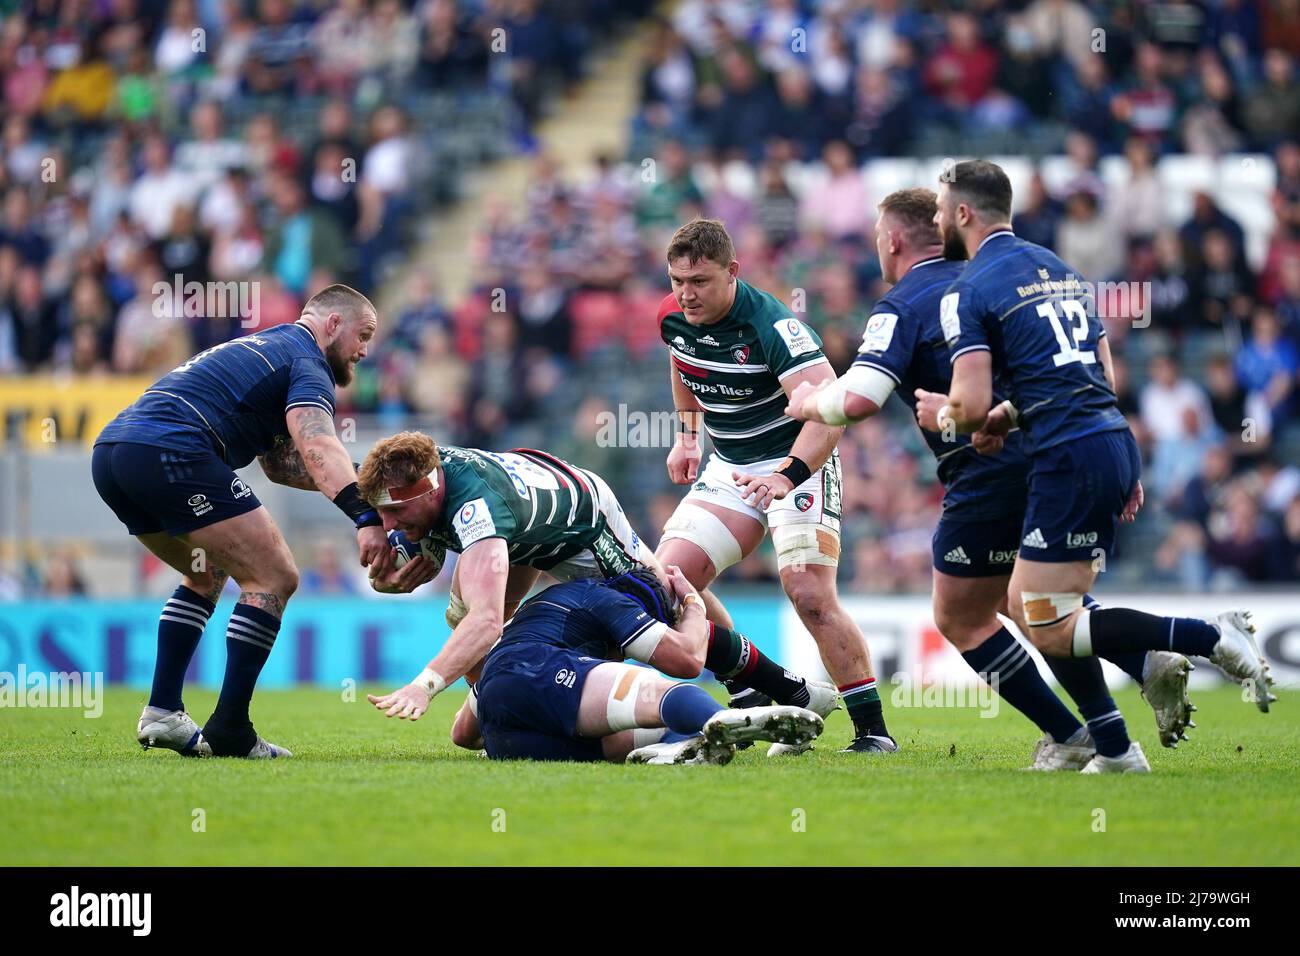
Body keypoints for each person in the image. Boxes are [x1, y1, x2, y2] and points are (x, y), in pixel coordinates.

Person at [786, 187, 1195, 765]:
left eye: (880, 237)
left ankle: (1081, 731)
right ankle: (1140, 669)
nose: (878, 247)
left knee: (961, 613)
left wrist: (808, 402)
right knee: (1025, 598)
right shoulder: (1000, 276)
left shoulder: (903, 303)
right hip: (1060, 451)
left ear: (895, 240)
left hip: (985, 465)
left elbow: (862, 396)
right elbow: (1093, 356)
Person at [932, 161, 1275, 771]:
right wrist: (1014, 422)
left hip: (1069, 452)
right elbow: (1103, 376)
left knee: (1049, 622)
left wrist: (946, 415)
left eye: (941, 209)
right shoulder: (1059, 268)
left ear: (963, 213)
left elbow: (970, 403)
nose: (936, 220)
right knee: (1030, 604)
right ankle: (1117, 752)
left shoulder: (969, 288)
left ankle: (1207, 637)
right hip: (1107, 439)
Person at [92, 284, 392, 758]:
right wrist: (366, 515)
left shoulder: (267, 348)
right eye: (364, 334)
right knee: (274, 575)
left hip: (114, 454)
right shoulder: (307, 362)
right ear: (333, 324)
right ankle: (231, 728)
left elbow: (281, 464)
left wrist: (371, 486)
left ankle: (163, 712)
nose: (364, 350)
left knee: (204, 572)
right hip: (173, 451)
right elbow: (318, 448)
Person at [356, 433, 836, 730]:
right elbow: (423, 543)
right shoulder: (419, 472)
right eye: (382, 512)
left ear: (431, 490)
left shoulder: (475, 509)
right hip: (526, 526)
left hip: (582, 521)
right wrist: (394, 567)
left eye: (396, 512)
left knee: (669, 605)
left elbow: (484, 624)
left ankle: (782, 687)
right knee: (459, 613)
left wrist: (425, 685)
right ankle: (499, 713)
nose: (389, 522)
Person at [652, 218, 895, 754]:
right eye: (677, 281)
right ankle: (762, 695)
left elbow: (829, 416)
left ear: (733, 272)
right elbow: (684, 364)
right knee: (668, 583)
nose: (686, 294)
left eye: (700, 281)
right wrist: (688, 435)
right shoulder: (673, 316)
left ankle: (874, 732)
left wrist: (785, 476)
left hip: (797, 462)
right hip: (730, 466)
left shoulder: (774, 327)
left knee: (807, 590)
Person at [448, 567, 826, 764]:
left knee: (651, 727)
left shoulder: (535, 619)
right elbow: (685, 660)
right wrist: (693, 605)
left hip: (507, 740)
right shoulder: (607, 598)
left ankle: (682, 744)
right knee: (655, 690)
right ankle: (716, 720)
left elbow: (462, 735)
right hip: (540, 672)